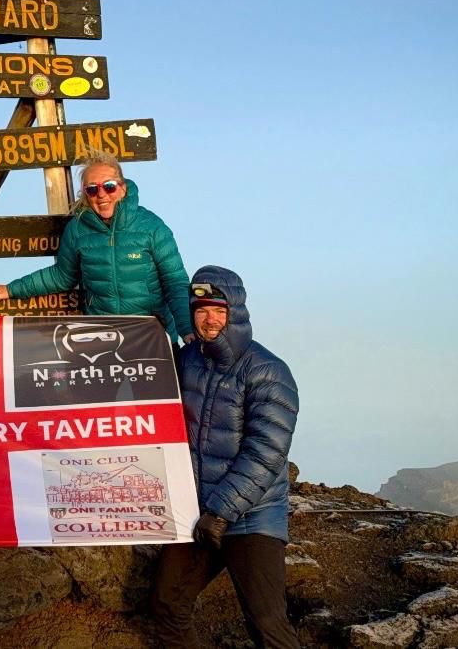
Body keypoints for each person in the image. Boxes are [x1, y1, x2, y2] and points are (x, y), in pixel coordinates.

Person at [151, 265, 300, 648]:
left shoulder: (268, 371)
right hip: (198, 513)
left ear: (236, 312)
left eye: (219, 310)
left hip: (252, 516)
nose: (210, 319)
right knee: (168, 605)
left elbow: (265, 453)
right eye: (201, 310)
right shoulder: (187, 362)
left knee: (266, 622)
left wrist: (221, 512)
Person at [0, 151, 194, 342]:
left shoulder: (151, 227)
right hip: (104, 336)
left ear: (123, 188)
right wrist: (12, 289)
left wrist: (187, 330)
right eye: (92, 190)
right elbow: (61, 276)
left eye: (109, 186)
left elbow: (175, 282)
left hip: (151, 334)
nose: (101, 195)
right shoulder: (77, 230)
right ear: (85, 194)